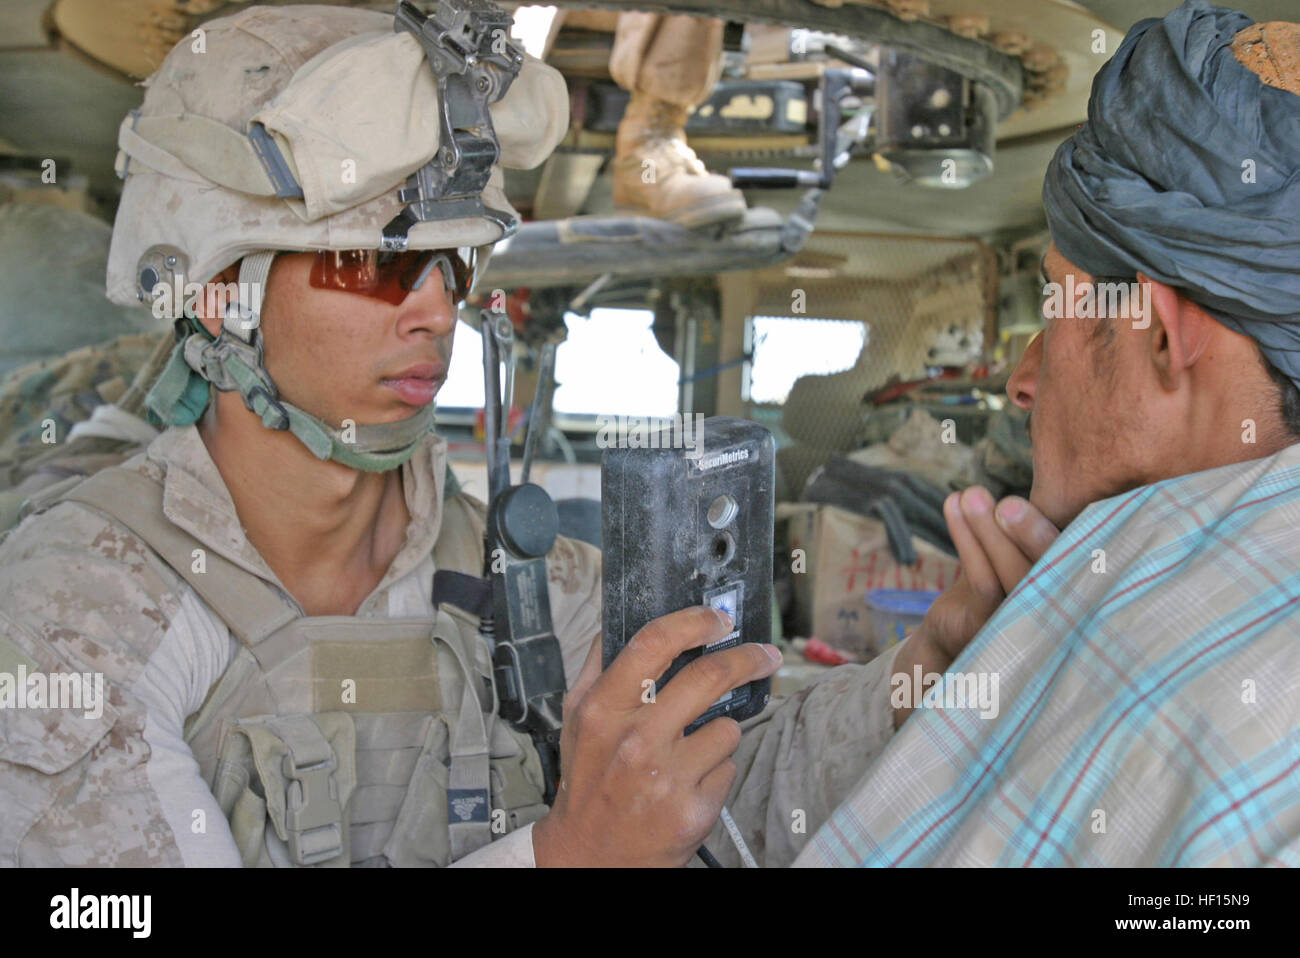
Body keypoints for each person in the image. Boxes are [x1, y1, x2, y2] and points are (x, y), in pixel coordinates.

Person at [0, 3, 783, 868]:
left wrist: (927, 683)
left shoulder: (521, 581)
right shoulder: (73, 614)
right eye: (372, 265)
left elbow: (754, 772)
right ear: (220, 294)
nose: (439, 311)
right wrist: (571, 857)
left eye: (453, 265)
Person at [712, 0, 1298, 867]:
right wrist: (945, 668)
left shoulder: (1154, 670)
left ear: (1166, 340)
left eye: (1056, 313)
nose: (1023, 381)